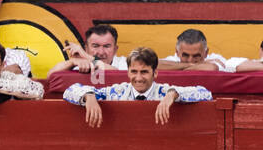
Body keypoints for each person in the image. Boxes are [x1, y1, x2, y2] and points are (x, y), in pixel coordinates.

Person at [64, 46, 212, 124]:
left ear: (155, 73)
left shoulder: (165, 91)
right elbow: (69, 91)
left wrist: (172, 95)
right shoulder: (118, 91)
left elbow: (205, 93)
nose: (138, 78)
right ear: (128, 72)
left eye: (144, 72)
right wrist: (89, 96)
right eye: (134, 71)